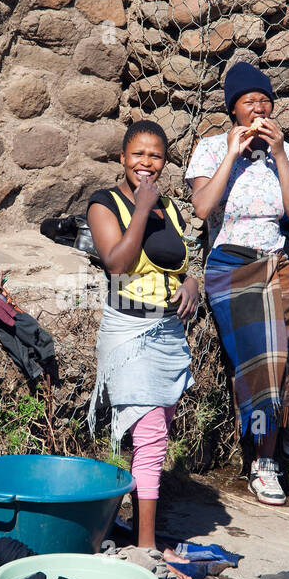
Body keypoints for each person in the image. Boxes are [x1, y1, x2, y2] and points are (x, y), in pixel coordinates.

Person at [186, 62, 289, 505]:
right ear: (233, 110)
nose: (258, 108)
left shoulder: (286, 152)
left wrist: (279, 155)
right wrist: (231, 154)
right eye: (249, 102)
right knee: (254, 365)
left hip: (274, 263)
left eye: (264, 101)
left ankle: (265, 464)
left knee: (274, 359)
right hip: (229, 267)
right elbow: (203, 208)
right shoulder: (208, 149)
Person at [87, 120, 200, 549]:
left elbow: (182, 265)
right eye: (138, 154)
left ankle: (133, 530)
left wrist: (192, 286)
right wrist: (140, 208)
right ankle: (146, 548)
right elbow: (117, 263)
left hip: (169, 334)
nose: (146, 163)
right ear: (122, 158)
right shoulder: (105, 204)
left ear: (165, 161)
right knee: (151, 437)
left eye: (155, 155)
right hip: (131, 334)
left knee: (153, 438)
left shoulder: (170, 208)